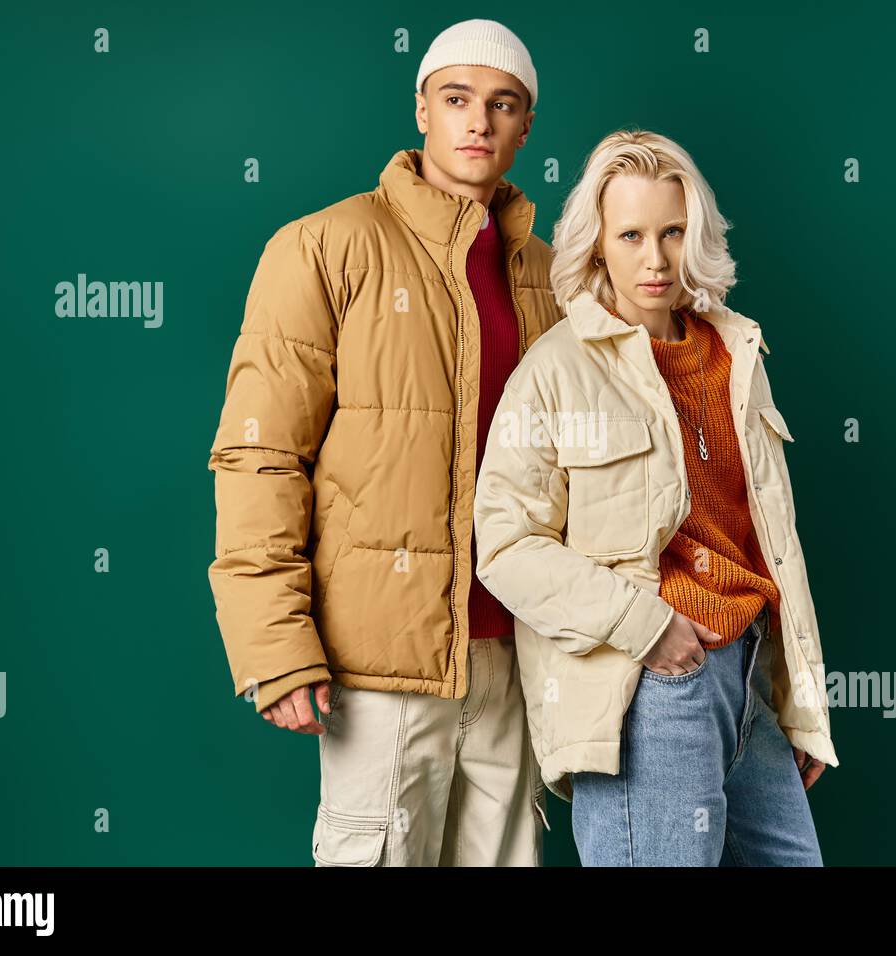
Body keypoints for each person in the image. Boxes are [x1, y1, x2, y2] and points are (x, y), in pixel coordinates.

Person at [206, 19, 560, 866]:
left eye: (502, 105)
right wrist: (276, 645)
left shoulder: (550, 275)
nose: (479, 121)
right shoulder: (324, 247)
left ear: (524, 128)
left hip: (514, 657)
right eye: (457, 99)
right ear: (422, 112)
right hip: (378, 665)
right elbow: (260, 454)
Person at [473, 129, 839, 866]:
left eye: (673, 232)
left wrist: (799, 703)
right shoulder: (555, 372)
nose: (655, 257)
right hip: (646, 688)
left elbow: (769, 540)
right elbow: (506, 547)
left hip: (746, 684)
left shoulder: (736, 355)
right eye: (632, 234)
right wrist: (648, 628)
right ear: (598, 244)